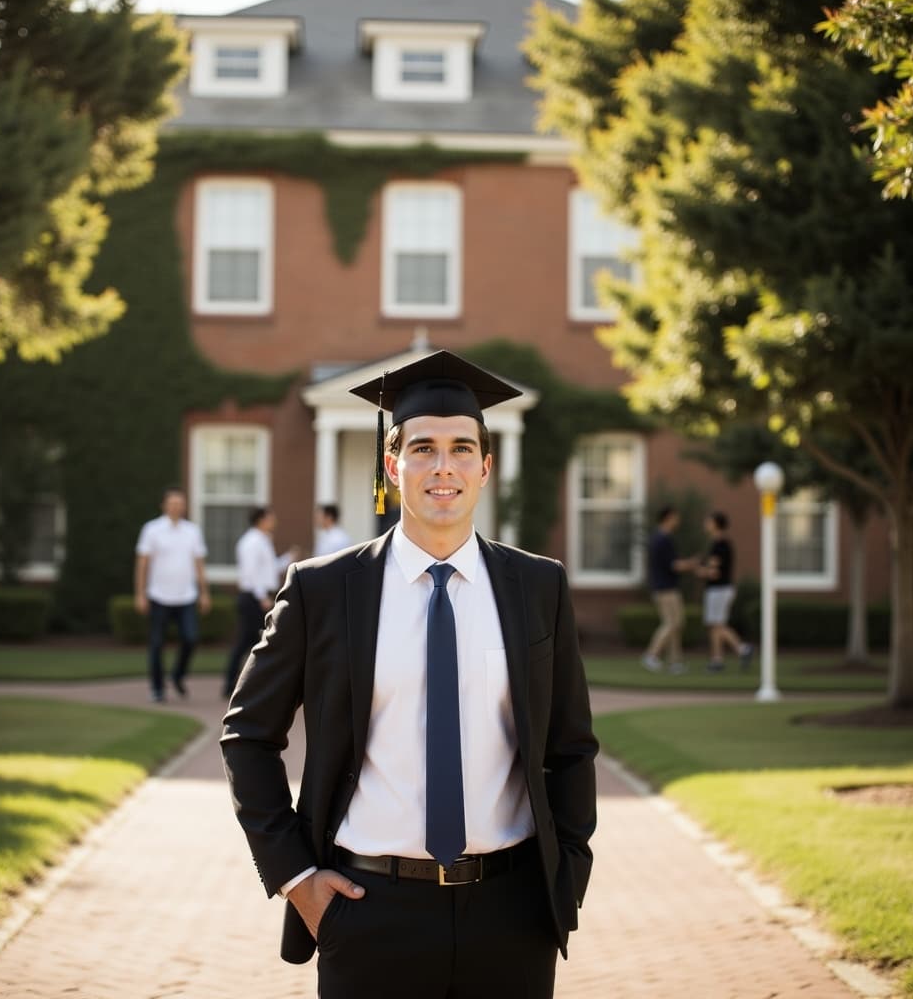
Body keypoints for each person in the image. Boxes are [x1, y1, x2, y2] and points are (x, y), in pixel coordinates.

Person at [221, 350, 598, 999]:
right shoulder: (324, 590)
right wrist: (298, 881)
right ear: (392, 466)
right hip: (368, 911)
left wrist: (567, 878)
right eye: (422, 448)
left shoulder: (538, 587)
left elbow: (571, 747)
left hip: (513, 915)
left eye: (460, 448)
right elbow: (248, 736)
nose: (442, 466)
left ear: (486, 467)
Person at [134, 488, 210, 702]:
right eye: (172, 503)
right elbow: (142, 563)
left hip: (186, 596)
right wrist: (140, 594)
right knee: (157, 644)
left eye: (180, 503)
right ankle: (157, 688)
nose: (176, 506)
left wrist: (204, 592)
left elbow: (199, 563)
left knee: (191, 638)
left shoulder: (192, 531)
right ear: (164, 505)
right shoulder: (151, 530)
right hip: (159, 596)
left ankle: (177, 675)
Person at [223, 506, 300, 697]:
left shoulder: (264, 541)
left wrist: (288, 559)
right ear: (261, 520)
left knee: (255, 641)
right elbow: (250, 573)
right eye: (270, 518)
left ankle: (248, 683)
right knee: (250, 641)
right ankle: (234, 684)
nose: (274, 521)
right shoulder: (251, 542)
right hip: (253, 598)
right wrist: (261, 597)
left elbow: (270, 569)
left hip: (260, 596)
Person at [641, 505, 696, 674]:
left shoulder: (658, 538)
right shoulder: (663, 539)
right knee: (672, 623)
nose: (677, 521)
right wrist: (692, 564)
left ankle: (675, 662)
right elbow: (674, 565)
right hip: (666, 588)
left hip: (663, 587)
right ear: (668, 517)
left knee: (676, 625)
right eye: (675, 517)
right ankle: (651, 655)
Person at [697, 510, 753, 673]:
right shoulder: (721, 544)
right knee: (715, 625)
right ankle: (718, 659)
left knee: (717, 625)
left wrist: (700, 571)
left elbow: (714, 572)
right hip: (720, 590)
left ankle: (741, 649)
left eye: (708, 521)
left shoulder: (719, 545)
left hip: (718, 590)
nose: (706, 524)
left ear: (715, 524)